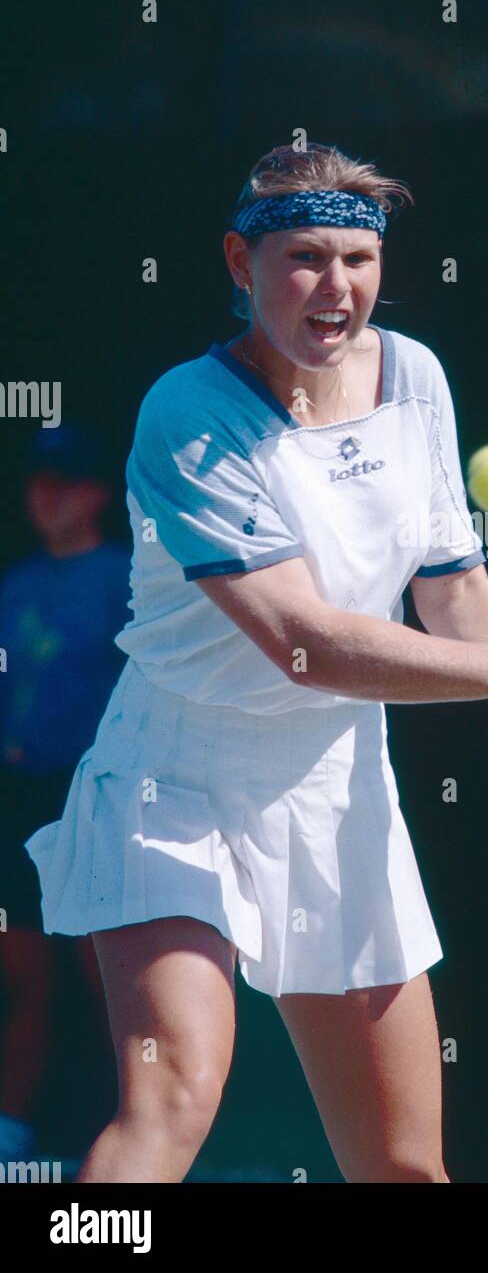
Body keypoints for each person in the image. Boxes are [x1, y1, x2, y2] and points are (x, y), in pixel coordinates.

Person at [25, 142, 488, 1184]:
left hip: (338, 788)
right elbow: (305, 642)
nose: (337, 286)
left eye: (358, 258)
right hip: (173, 786)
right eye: (305, 257)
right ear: (240, 262)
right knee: (172, 1094)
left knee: (403, 1166)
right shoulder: (187, 412)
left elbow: (453, 588)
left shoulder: (415, 378)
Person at [0, 424, 131, 1162]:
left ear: (98, 496)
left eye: (67, 483)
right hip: (17, 799)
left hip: (93, 801)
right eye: (38, 483)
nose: (48, 498)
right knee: (23, 977)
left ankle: (143, 1134)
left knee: (112, 977)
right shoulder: (13, 583)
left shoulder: (123, 578)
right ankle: (10, 1136)